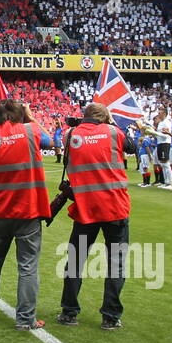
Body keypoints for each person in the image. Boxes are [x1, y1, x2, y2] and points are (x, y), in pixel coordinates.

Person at [0, 98, 55, 329]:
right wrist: (30, 115)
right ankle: (25, 319)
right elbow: (52, 140)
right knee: (27, 266)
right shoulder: (31, 130)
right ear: (20, 115)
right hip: (27, 209)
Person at [57, 102, 136, 330]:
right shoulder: (114, 132)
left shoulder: (71, 134)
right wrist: (112, 122)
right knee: (116, 263)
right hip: (114, 207)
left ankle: (69, 312)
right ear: (105, 117)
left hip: (85, 207)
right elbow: (132, 147)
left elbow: (67, 161)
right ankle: (110, 316)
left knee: (75, 260)